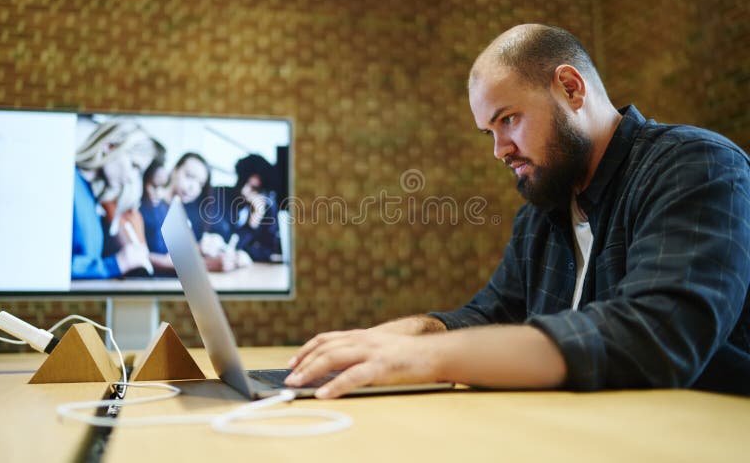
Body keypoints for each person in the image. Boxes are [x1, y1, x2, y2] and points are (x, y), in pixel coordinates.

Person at [285, 24, 750, 399]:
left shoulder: (697, 165)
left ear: (570, 88)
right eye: (489, 131)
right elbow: (490, 316)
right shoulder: (541, 212)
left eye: (508, 119)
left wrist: (432, 359)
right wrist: (390, 339)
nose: (499, 150)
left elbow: (656, 336)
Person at [71, 119, 156, 279]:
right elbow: (49, 266)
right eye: (133, 166)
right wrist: (117, 263)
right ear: (109, 147)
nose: (132, 178)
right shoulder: (68, 185)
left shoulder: (91, 197)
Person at [204, 154, 282, 262]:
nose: (244, 191)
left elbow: (267, 252)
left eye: (254, 188)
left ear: (264, 192)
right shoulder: (217, 196)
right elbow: (226, 247)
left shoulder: (268, 211)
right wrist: (250, 226)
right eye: (242, 182)